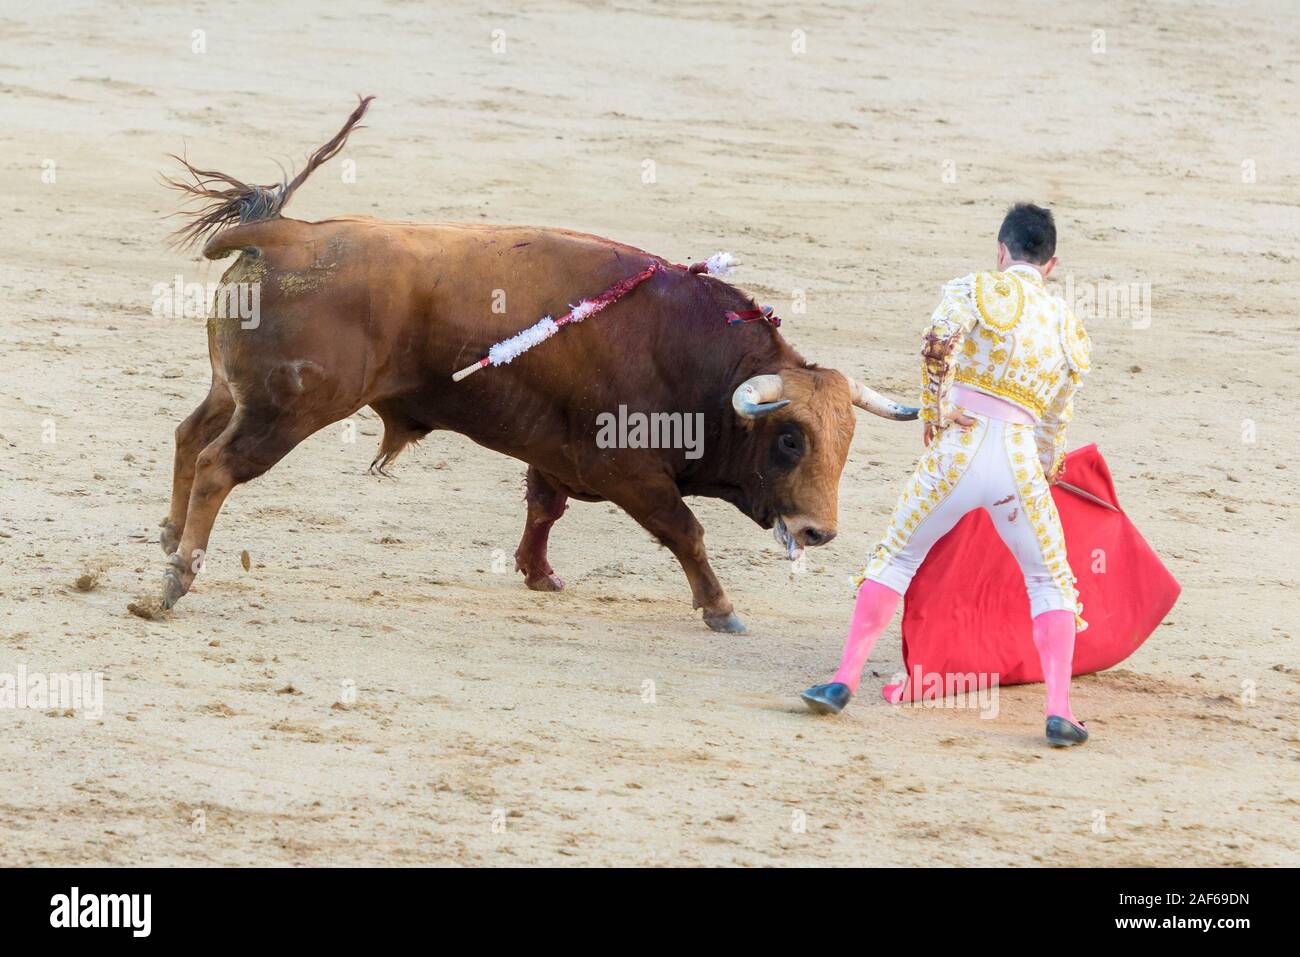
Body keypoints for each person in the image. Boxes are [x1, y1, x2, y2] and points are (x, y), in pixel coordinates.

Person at [800, 203, 1092, 747]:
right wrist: (1044, 472)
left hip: (957, 451)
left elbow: (938, 345)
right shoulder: (1067, 326)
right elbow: (1056, 418)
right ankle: (1059, 711)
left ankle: (843, 681)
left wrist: (935, 414)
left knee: (897, 557)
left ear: (1002, 251)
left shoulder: (976, 287)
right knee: (1049, 582)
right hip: (1020, 464)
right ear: (1051, 264)